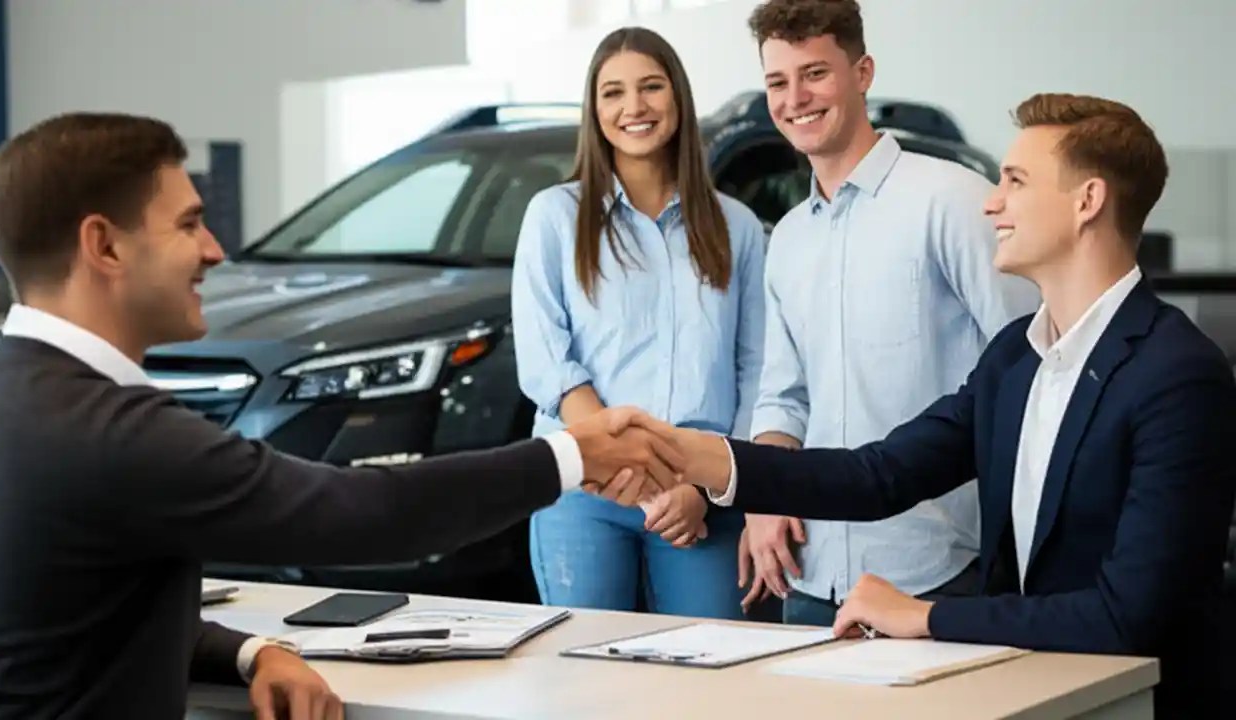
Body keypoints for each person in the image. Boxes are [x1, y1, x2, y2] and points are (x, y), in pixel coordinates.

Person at [0, 112, 685, 720]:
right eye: (187, 225)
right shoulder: (115, 432)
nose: (213, 250)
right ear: (104, 245)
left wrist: (250, 650)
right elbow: (367, 514)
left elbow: (82, 608)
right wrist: (572, 455)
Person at [626, 93, 1234, 718]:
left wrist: (925, 615)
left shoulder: (1178, 376)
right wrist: (692, 454)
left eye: (1016, 181)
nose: (992, 202)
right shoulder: (1014, 360)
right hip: (1034, 694)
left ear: (1088, 201)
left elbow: (1125, 614)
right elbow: (878, 476)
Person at [736, 0, 1037, 622]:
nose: (796, 98)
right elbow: (783, 397)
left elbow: (1027, 367)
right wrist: (765, 496)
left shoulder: (952, 202)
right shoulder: (788, 237)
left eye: (815, 73)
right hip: (811, 575)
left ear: (863, 72)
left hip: (936, 570)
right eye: (777, 81)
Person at [511, 26, 767, 619]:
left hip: (697, 496)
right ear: (594, 109)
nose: (634, 107)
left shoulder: (739, 228)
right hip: (584, 489)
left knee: (710, 685)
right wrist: (621, 464)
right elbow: (546, 358)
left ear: (677, 97)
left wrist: (705, 488)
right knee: (585, 680)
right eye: (613, 92)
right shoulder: (554, 217)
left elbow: (756, 372)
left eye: (651, 87)